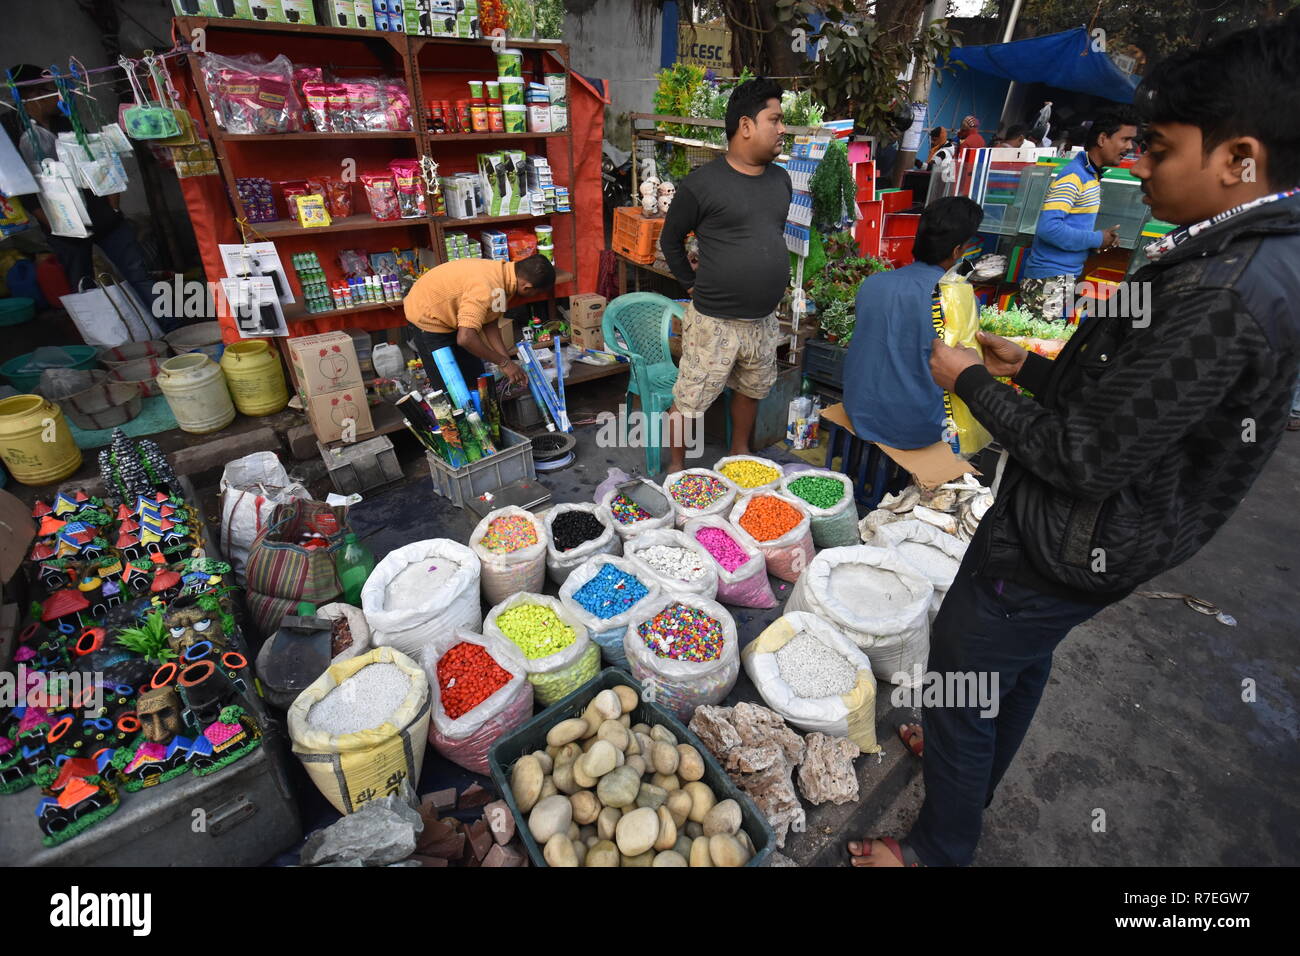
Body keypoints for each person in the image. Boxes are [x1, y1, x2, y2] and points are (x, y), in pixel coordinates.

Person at [851, 11, 1300, 868]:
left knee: (961, 668)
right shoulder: (1235, 257)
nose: (1142, 166)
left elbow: (1086, 455)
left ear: (1241, 159)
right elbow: (1126, 401)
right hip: (1086, 533)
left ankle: (938, 848)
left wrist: (971, 381)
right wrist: (1028, 368)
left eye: (1161, 151)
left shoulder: (1230, 290)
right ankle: (966, 784)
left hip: (1077, 534)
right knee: (1018, 664)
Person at [660, 77, 791, 474]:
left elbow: (766, 236)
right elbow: (670, 241)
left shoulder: (781, 181)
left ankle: (739, 455)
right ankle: (676, 469)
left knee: (752, 390)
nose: (783, 128)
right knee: (691, 399)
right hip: (714, 322)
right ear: (746, 126)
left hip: (762, 321)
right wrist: (691, 283)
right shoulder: (702, 184)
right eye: (776, 119)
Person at [6, 64, 163, 325]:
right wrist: (56, 224)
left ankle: (169, 328)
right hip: (63, 225)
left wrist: (113, 208)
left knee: (139, 273)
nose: (59, 96)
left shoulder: (65, 121)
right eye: (50, 90)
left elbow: (101, 164)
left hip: (104, 217)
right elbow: (25, 190)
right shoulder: (12, 129)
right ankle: (110, 345)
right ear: (31, 94)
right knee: (84, 287)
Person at [843, 197, 984, 450]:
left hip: (860, 411)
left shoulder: (874, 284)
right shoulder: (958, 300)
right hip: (916, 429)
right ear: (956, 251)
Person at [1018, 107, 1138, 321]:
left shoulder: (1090, 175)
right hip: (1049, 279)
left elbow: (1072, 225)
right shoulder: (1074, 176)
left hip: (1061, 277)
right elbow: (1049, 228)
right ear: (1102, 139)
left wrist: (1096, 244)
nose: (1130, 147)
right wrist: (1097, 238)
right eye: (1125, 139)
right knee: (1035, 344)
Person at [401, 254, 552, 394]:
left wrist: (506, 361)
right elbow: (465, 338)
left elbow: (490, 321)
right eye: (536, 294)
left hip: (452, 316)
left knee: (477, 381)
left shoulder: (505, 277)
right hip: (428, 317)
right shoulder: (488, 287)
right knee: (452, 393)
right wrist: (505, 363)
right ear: (527, 287)